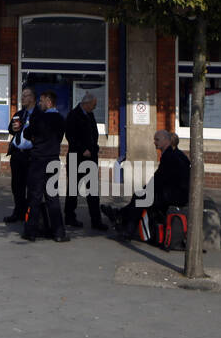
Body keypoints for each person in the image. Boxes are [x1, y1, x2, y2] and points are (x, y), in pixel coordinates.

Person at [110, 129, 190, 237]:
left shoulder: (170, 156)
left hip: (174, 195)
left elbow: (160, 179)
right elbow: (160, 177)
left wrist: (147, 189)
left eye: (157, 140)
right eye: (154, 140)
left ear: (166, 140)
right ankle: (120, 216)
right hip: (174, 192)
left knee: (141, 199)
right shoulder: (173, 153)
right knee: (140, 196)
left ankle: (126, 225)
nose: (154, 142)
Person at [22, 91, 68, 242]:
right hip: (53, 159)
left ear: (49, 102)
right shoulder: (61, 119)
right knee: (52, 198)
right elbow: (59, 137)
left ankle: (30, 232)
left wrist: (36, 137)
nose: (39, 104)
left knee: (35, 196)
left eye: (41, 101)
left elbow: (28, 133)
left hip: (38, 160)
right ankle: (59, 233)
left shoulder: (39, 118)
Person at [64, 91, 108, 230]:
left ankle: (96, 220)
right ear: (86, 103)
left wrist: (94, 148)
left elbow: (94, 134)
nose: (94, 108)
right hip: (76, 157)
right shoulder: (73, 115)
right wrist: (83, 149)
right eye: (93, 105)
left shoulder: (90, 115)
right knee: (73, 189)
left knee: (93, 190)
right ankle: (69, 217)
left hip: (91, 158)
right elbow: (70, 135)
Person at [3, 88, 37, 223]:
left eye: (26, 95)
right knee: (17, 186)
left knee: (31, 186)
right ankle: (18, 212)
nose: (22, 98)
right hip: (17, 154)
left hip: (31, 155)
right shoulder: (20, 113)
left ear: (33, 98)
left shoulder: (38, 114)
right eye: (22, 95)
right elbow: (10, 129)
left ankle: (28, 213)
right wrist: (13, 128)